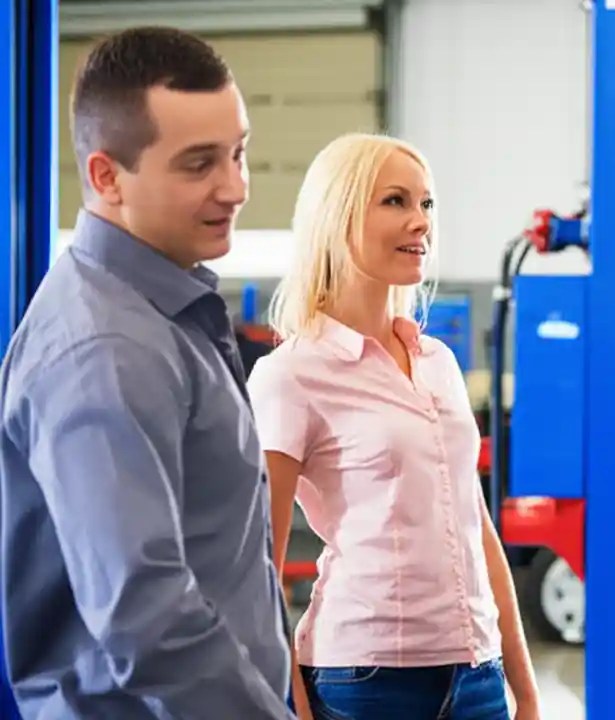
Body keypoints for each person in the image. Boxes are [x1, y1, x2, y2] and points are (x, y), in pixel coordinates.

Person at [0, 27, 293, 718]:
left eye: (239, 153)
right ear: (107, 177)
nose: (236, 187)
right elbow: (148, 620)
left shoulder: (164, 304)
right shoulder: (105, 350)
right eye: (199, 165)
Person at [246, 133, 542, 720]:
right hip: (366, 680)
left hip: (478, 677)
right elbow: (258, 562)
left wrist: (525, 691)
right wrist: (294, 705)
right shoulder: (292, 374)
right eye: (396, 202)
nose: (420, 223)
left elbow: (476, 529)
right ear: (338, 217)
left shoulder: (438, 363)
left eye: (426, 204)